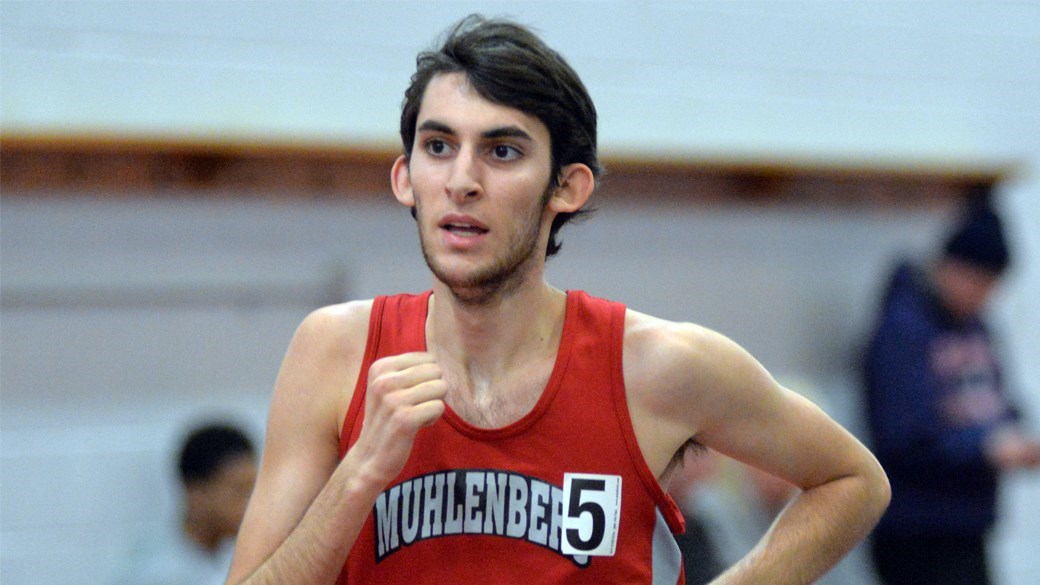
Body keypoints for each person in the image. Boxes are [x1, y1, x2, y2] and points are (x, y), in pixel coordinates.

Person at [227, 14, 890, 585]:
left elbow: (853, 481)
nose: (462, 180)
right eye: (439, 146)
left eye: (502, 151)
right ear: (405, 178)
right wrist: (358, 476)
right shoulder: (335, 349)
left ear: (567, 187)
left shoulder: (657, 364)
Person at [862, 197, 1040, 585]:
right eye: (978, 282)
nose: (984, 296)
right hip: (915, 528)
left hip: (967, 523)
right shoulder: (901, 331)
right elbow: (902, 436)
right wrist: (984, 448)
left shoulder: (977, 327)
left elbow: (999, 402)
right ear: (951, 267)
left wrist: (1016, 435)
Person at [118, 422, 258, 585]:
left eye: (254, 490)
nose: (252, 505)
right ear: (196, 492)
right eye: (240, 491)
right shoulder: (154, 573)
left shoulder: (235, 556)